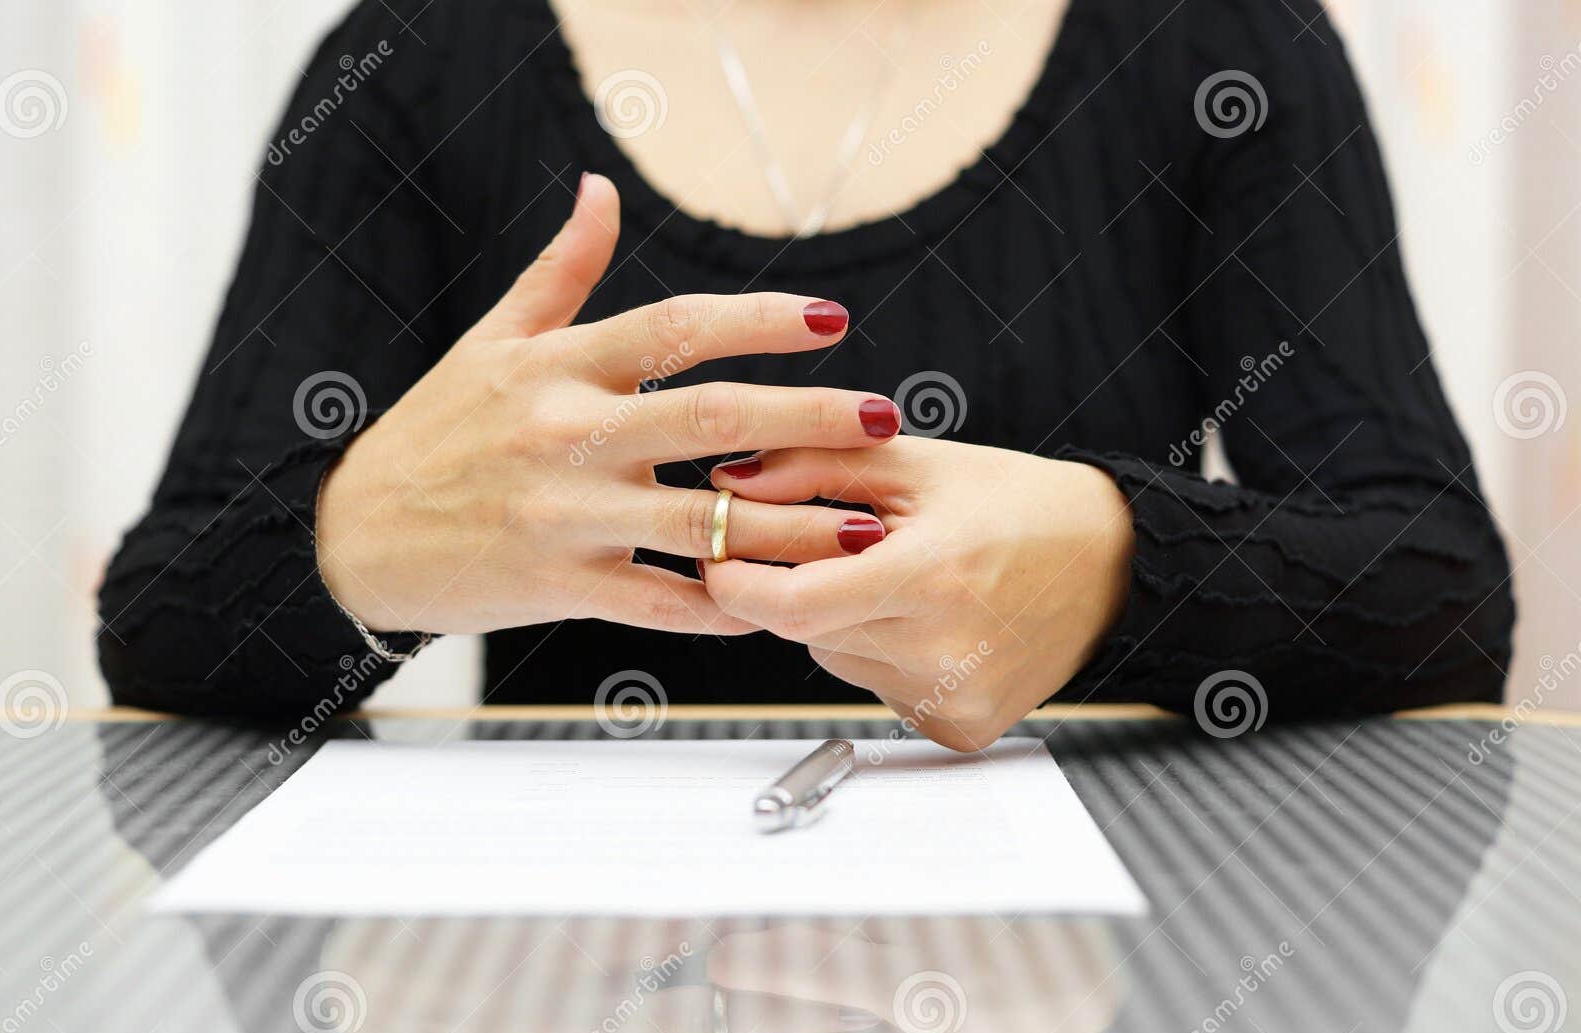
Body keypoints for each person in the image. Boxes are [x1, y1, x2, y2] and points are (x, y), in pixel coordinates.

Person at [97, 0, 1514, 750]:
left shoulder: (1222, 42)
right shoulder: (415, 58)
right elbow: (165, 614)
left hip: (1080, 1000)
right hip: (569, 1004)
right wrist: (365, 540)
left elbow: (1437, 588)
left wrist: (1112, 563)